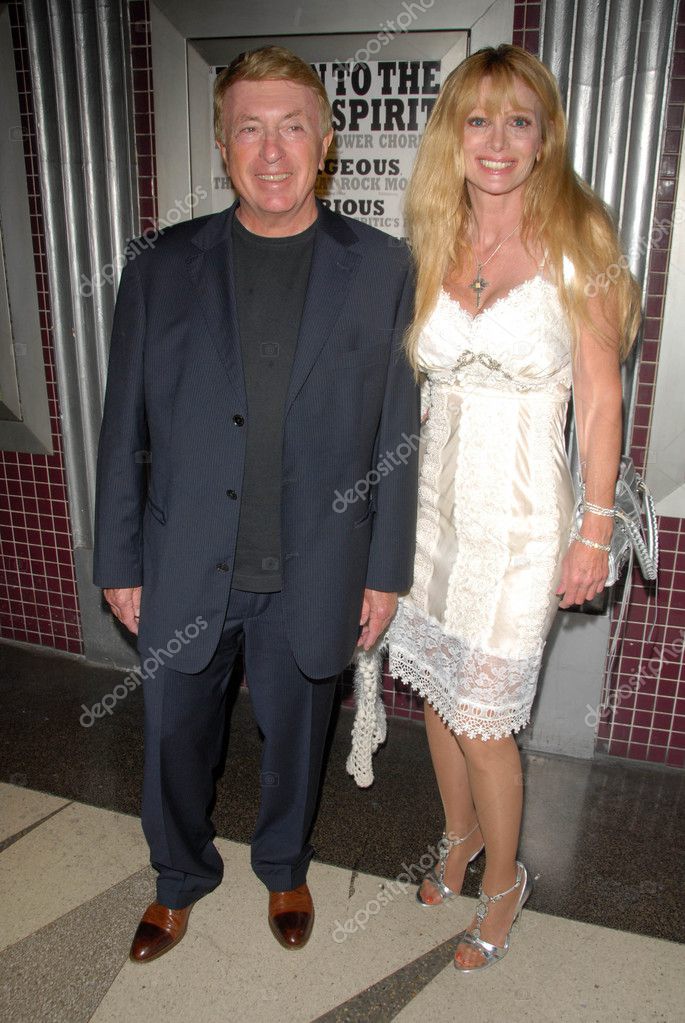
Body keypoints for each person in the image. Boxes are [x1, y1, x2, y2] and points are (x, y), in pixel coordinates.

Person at [94, 45, 418, 961]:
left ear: (326, 143)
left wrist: (384, 570)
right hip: (183, 556)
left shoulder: (384, 267)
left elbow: (401, 433)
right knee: (172, 738)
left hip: (319, 563)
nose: (270, 150)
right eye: (249, 127)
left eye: (291, 127)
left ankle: (284, 864)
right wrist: (118, 562)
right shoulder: (159, 266)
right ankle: (177, 876)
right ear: (222, 144)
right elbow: (124, 427)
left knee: (299, 739)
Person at [384, 44, 640, 972]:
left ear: (544, 138)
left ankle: (504, 881)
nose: (496, 140)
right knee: (438, 700)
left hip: (526, 517)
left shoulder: (581, 244)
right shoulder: (435, 239)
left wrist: (596, 529)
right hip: (431, 513)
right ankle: (455, 841)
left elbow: (602, 399)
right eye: (478, 119)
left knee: (487, 719)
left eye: (518, 120)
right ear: (455, 134)